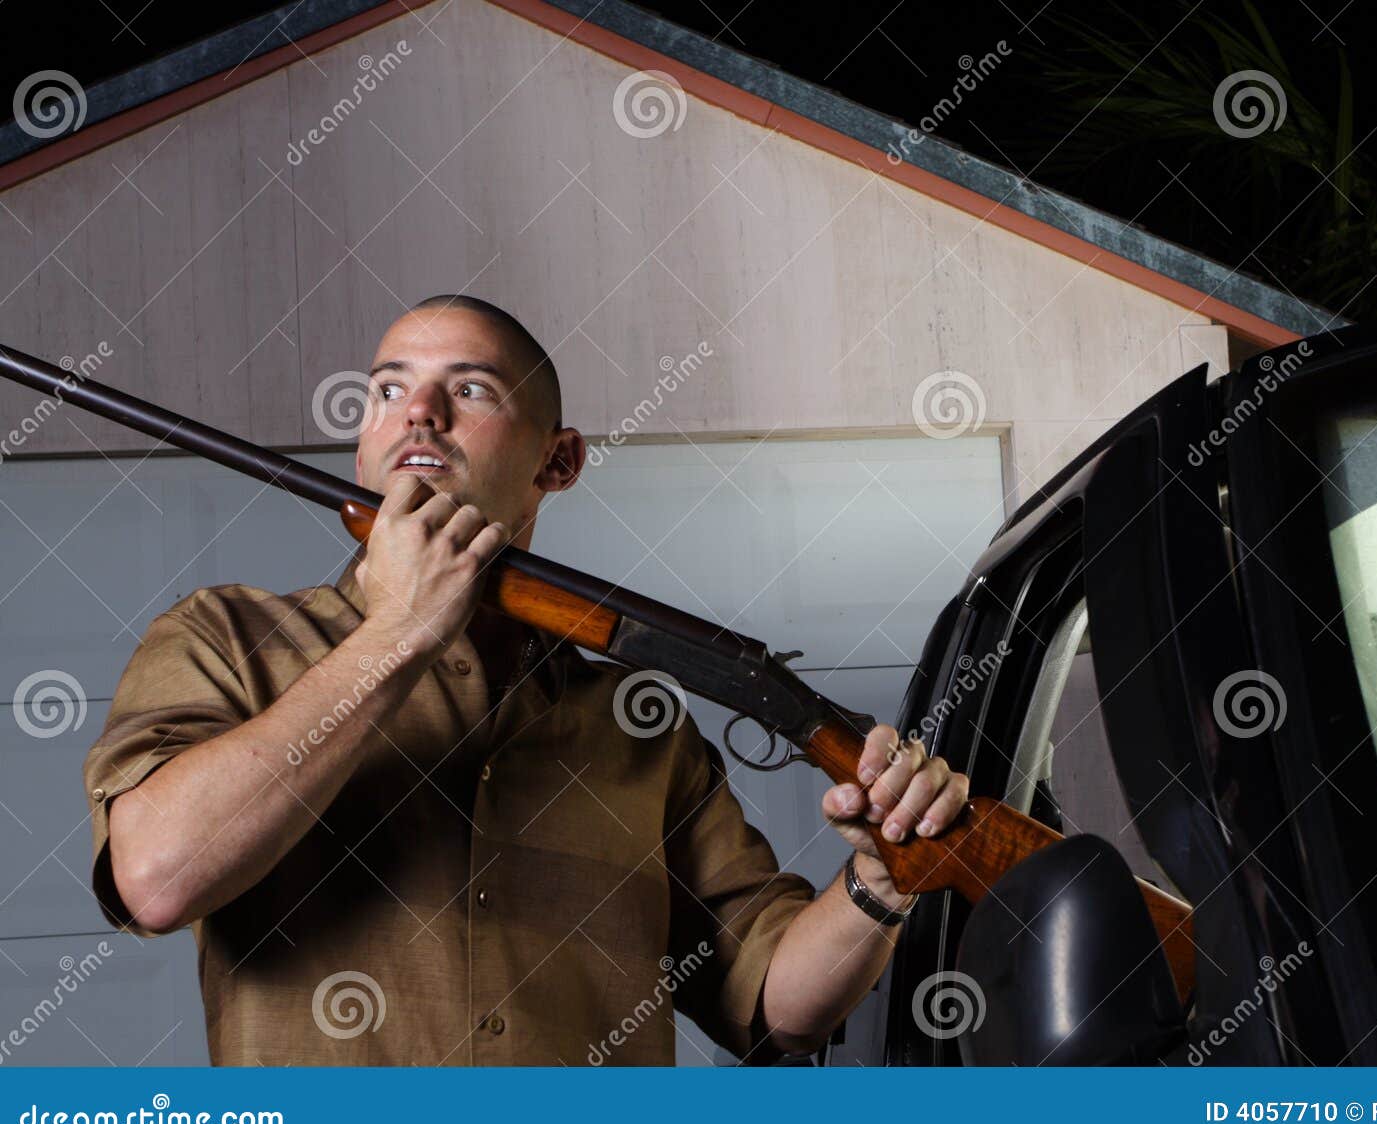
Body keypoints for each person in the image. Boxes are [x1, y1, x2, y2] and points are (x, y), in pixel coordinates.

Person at [81, 295, 970, 1065]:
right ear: (361, 448)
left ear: (559, 461)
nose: (418, 412)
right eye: (388, 389)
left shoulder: (640, 727)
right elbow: (159, 879)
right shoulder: (222, 637)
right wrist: (397, 636)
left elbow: (774, 1005)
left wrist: (880, 886)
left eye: (468, 389)